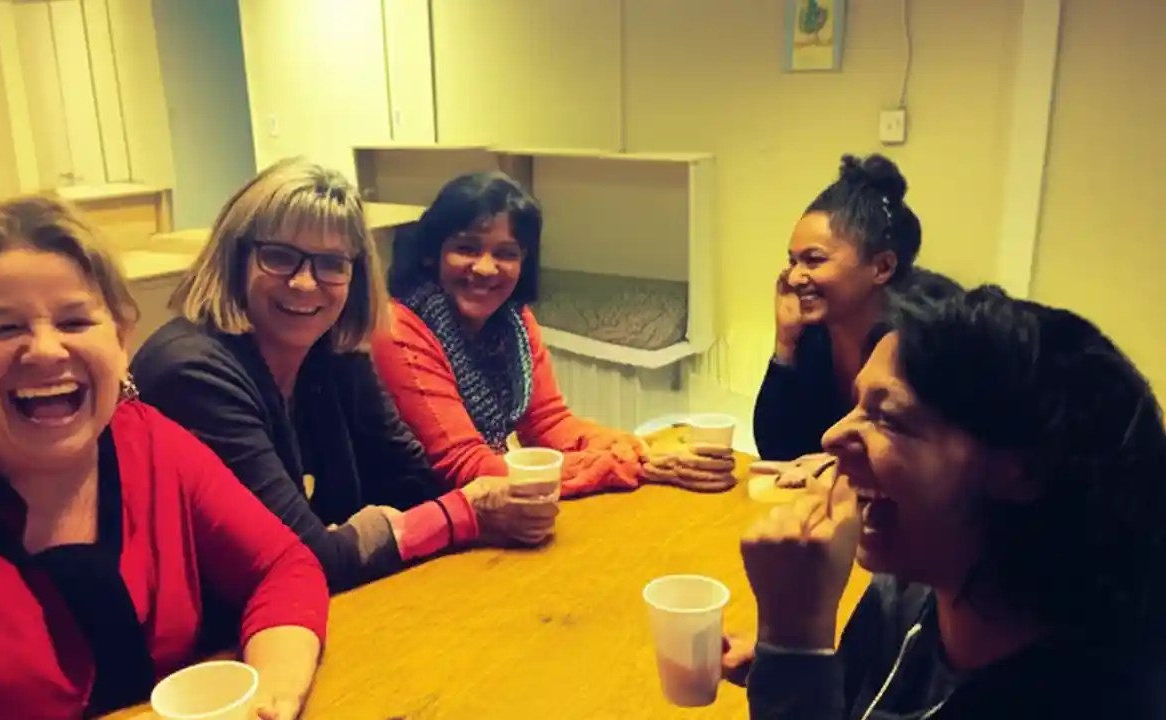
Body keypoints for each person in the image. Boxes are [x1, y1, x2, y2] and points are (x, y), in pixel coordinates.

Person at [0, 198, 326, 719]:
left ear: (120, 341)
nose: (46, 350)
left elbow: (282, 566)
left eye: (75, 321)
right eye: (3, 328)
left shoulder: (152, 443)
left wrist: (271, 696)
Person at [131, 159, 558, 595]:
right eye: (278, 256)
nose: (303, 283)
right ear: (236, 257)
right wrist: (452, 516)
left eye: (331, 263)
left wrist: (373, 533)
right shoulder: (192, 375)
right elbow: (302, 560)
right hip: (220, 649)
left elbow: (415, 479)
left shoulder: (333, 350)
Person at [737, 286, 1166, 717]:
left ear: (1024, 470)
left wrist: (793, 641)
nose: (831, 438)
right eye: (856, 406)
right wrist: (785, 669)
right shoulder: (907, 593)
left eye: (886, 417)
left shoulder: (1097, 699)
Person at [373, 171, 734, 497]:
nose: (485, 268)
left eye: (506, 253)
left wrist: (638, 449)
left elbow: (549, 424)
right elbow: (466, 467)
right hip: (420, 525)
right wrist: (626, 465)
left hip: (496, 512)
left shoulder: (516, 320)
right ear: (431, 253)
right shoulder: (399, 327)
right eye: (466, 248)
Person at [752, 154, 962, 462]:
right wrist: (785, 344)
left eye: (814, 260)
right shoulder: (814, 332)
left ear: (882, 267)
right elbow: (777, 450)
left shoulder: (927, 339)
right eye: (792, 261)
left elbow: (929, 470)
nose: (795, 277)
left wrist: (824, 471)